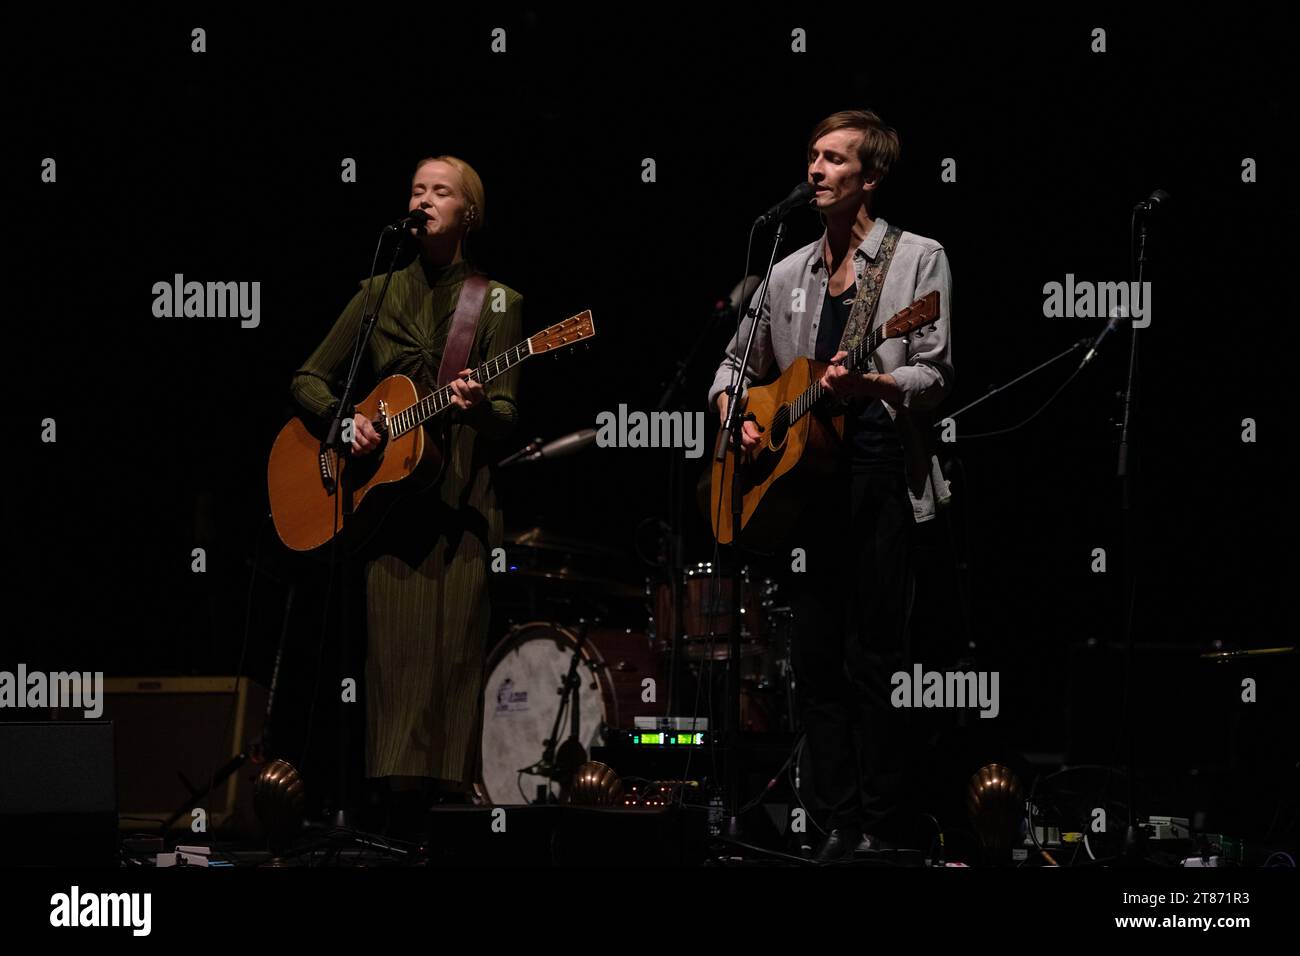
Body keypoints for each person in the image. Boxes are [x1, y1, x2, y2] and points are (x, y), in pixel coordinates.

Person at [708, 110, 953, 862]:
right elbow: (730, 371)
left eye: (834, 160)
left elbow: (934, 376)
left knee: (874, 660)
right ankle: (832, 824)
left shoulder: (916, 261)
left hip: (879, 471)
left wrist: (872, 382)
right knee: (814, 663)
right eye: (812, 156)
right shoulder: (785, 270)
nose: (816, 170)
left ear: (869, 177)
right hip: (803, 489)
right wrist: (735, 421)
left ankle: (881, 826)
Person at [290, 155, 522, 834]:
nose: (423, 201)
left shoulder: (497, 301)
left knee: (450, 672)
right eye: (416, 190)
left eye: (440, 192)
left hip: (460, 516)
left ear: (468, 214)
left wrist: (477, 405)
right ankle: (387, 824)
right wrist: (346, 420)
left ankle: (442, 824)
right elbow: (307, 376)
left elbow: (506, 417)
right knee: (392, 674)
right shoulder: (375, 292)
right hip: (388, 515)